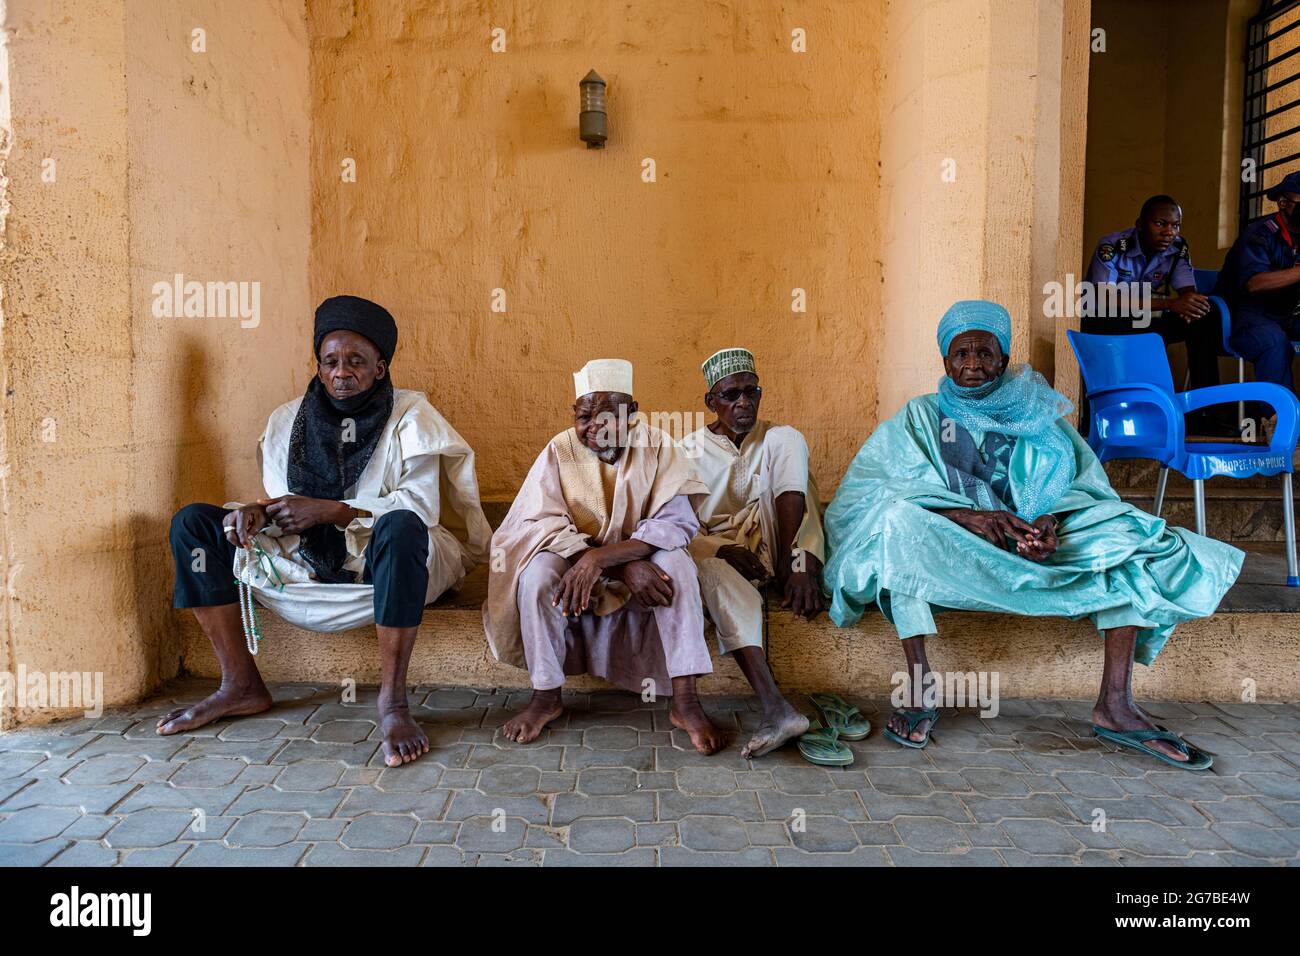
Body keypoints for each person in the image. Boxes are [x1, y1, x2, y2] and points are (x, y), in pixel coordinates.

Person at [821, 300, 1243, 770]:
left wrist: (1049, 524)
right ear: (945, 361)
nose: (973, 365)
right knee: (898, 526)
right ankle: (920, 691)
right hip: (958, 549)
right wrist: (974, 519)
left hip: (1034, 548)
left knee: (1126, 531)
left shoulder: (1038, 413)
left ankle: (1116, 704)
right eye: (961, 354)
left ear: (1003, 359)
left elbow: (1085, 486)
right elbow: (877, 491)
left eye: (986, 354)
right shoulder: (921, 417)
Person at [165, 295, 491, 768]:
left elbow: (419, 510)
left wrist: (333, 511)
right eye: (330, 361)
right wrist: (258, 512)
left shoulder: (411, 416)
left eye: (356, 361)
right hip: (304, 558)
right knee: (192, 523)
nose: (342, 372)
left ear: (380, 367)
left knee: (400, 527)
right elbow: (281, 498)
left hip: (394, 560)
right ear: (319, 368)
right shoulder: (287, 419)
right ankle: (240, 684)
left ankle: (393, 703)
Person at [483, 359, 726, 755]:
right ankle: (546, 696)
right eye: (584, 416)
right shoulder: (559, 449)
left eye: (608, 414)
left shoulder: (660, 446)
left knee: (678, 565)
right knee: (536, 574)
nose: (594, 425)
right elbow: (536, 521)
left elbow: (677, 522)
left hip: (641, 552)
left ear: (632, 414)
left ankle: (686, 703)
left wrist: (611, 560)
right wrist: (598, 560)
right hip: (576, 554)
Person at [680, 348, 823, 757]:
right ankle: (775, 707)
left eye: (751, 392)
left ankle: (786, 568)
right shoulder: (686, 450)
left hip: (779, 545)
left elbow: (807, 505)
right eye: (730, 395)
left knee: (787, 436)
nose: (743, 404)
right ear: (711, 402)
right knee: (711, 573)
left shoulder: (778, 439)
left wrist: (799, 562)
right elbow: (681, 528)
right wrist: (723, 550)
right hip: (726, 555)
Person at [1083, 194, 1227, 434]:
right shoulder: (1112, 246)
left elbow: (1186, 292)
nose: (1168, 232)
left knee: (1205, 317)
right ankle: (1107, 416)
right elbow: (1103, 298)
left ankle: (1205, 415)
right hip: (1105, 320)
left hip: (1147, 318)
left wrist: (1191, 305)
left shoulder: (1178, 247)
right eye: (1160, 224)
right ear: (1140, 225)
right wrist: (1172, 304)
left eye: (1175, 225)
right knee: (1111, 320)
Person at [1216, 170, 1300, 403]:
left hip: (1287, 315)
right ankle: (1279, 422)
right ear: (1283, 203)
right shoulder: (1259, 234)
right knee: (1274, 341)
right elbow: (1254, 284)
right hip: (1243, 318)